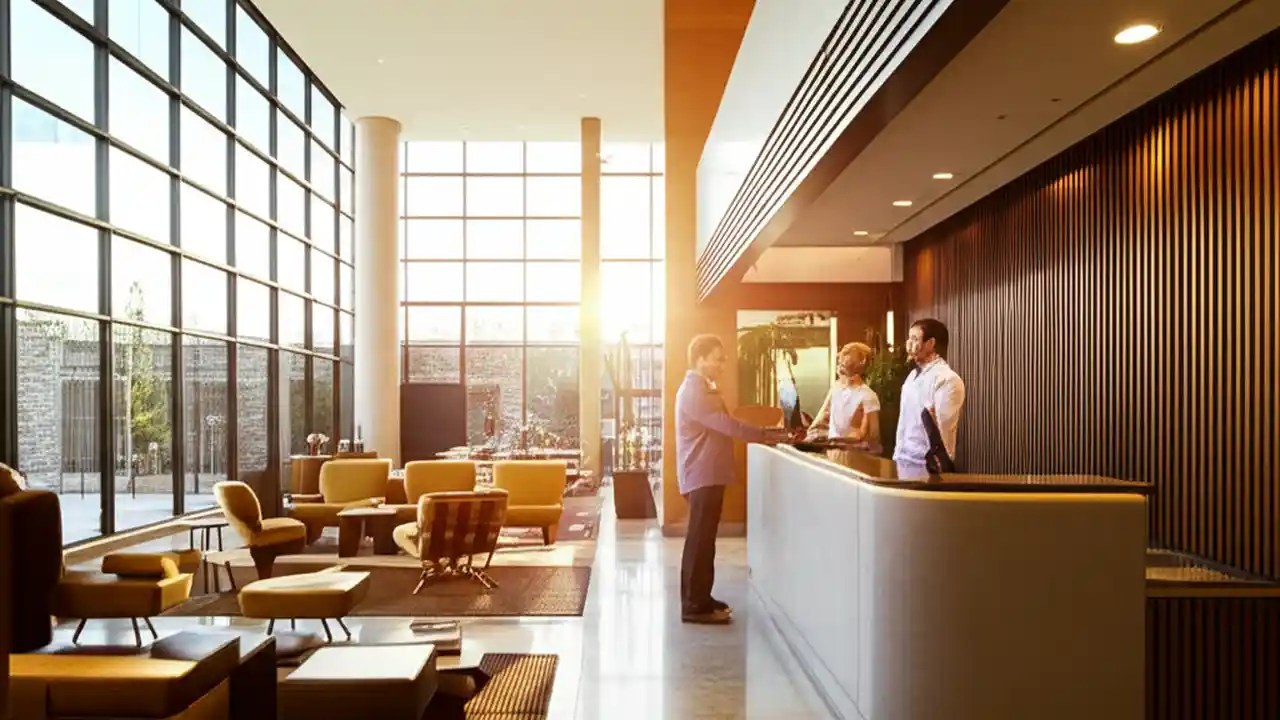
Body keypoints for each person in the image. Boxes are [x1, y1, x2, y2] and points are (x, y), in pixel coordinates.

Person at [676, 334, 788, 624]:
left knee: (704, 540)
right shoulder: (694, 390)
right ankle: (693, 605)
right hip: (702, 474)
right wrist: (766, 435)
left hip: (708, 474)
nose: (722, 364)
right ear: (700, 359)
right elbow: (725, 425)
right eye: (718, 358)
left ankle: (701, 596)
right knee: (700, 541)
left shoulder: (702, 387)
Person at [893, 318, 966, 473]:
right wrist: (897, 455)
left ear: (931, 344)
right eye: (909, 339)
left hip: (927, 466)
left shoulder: (946, 379)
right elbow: (903, 422)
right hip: (903, 459)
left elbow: (943, 431)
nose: (909, 345)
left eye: (914, 339)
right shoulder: (912, 375)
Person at [805, 343, 881, 452]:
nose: (840, 364)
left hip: (856, 455)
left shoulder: (869, 396)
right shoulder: (835, 388)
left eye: (845, 361)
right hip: (832, 453)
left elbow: (874, 438)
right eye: (841, 361)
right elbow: (821, 419)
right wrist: (812, 436)